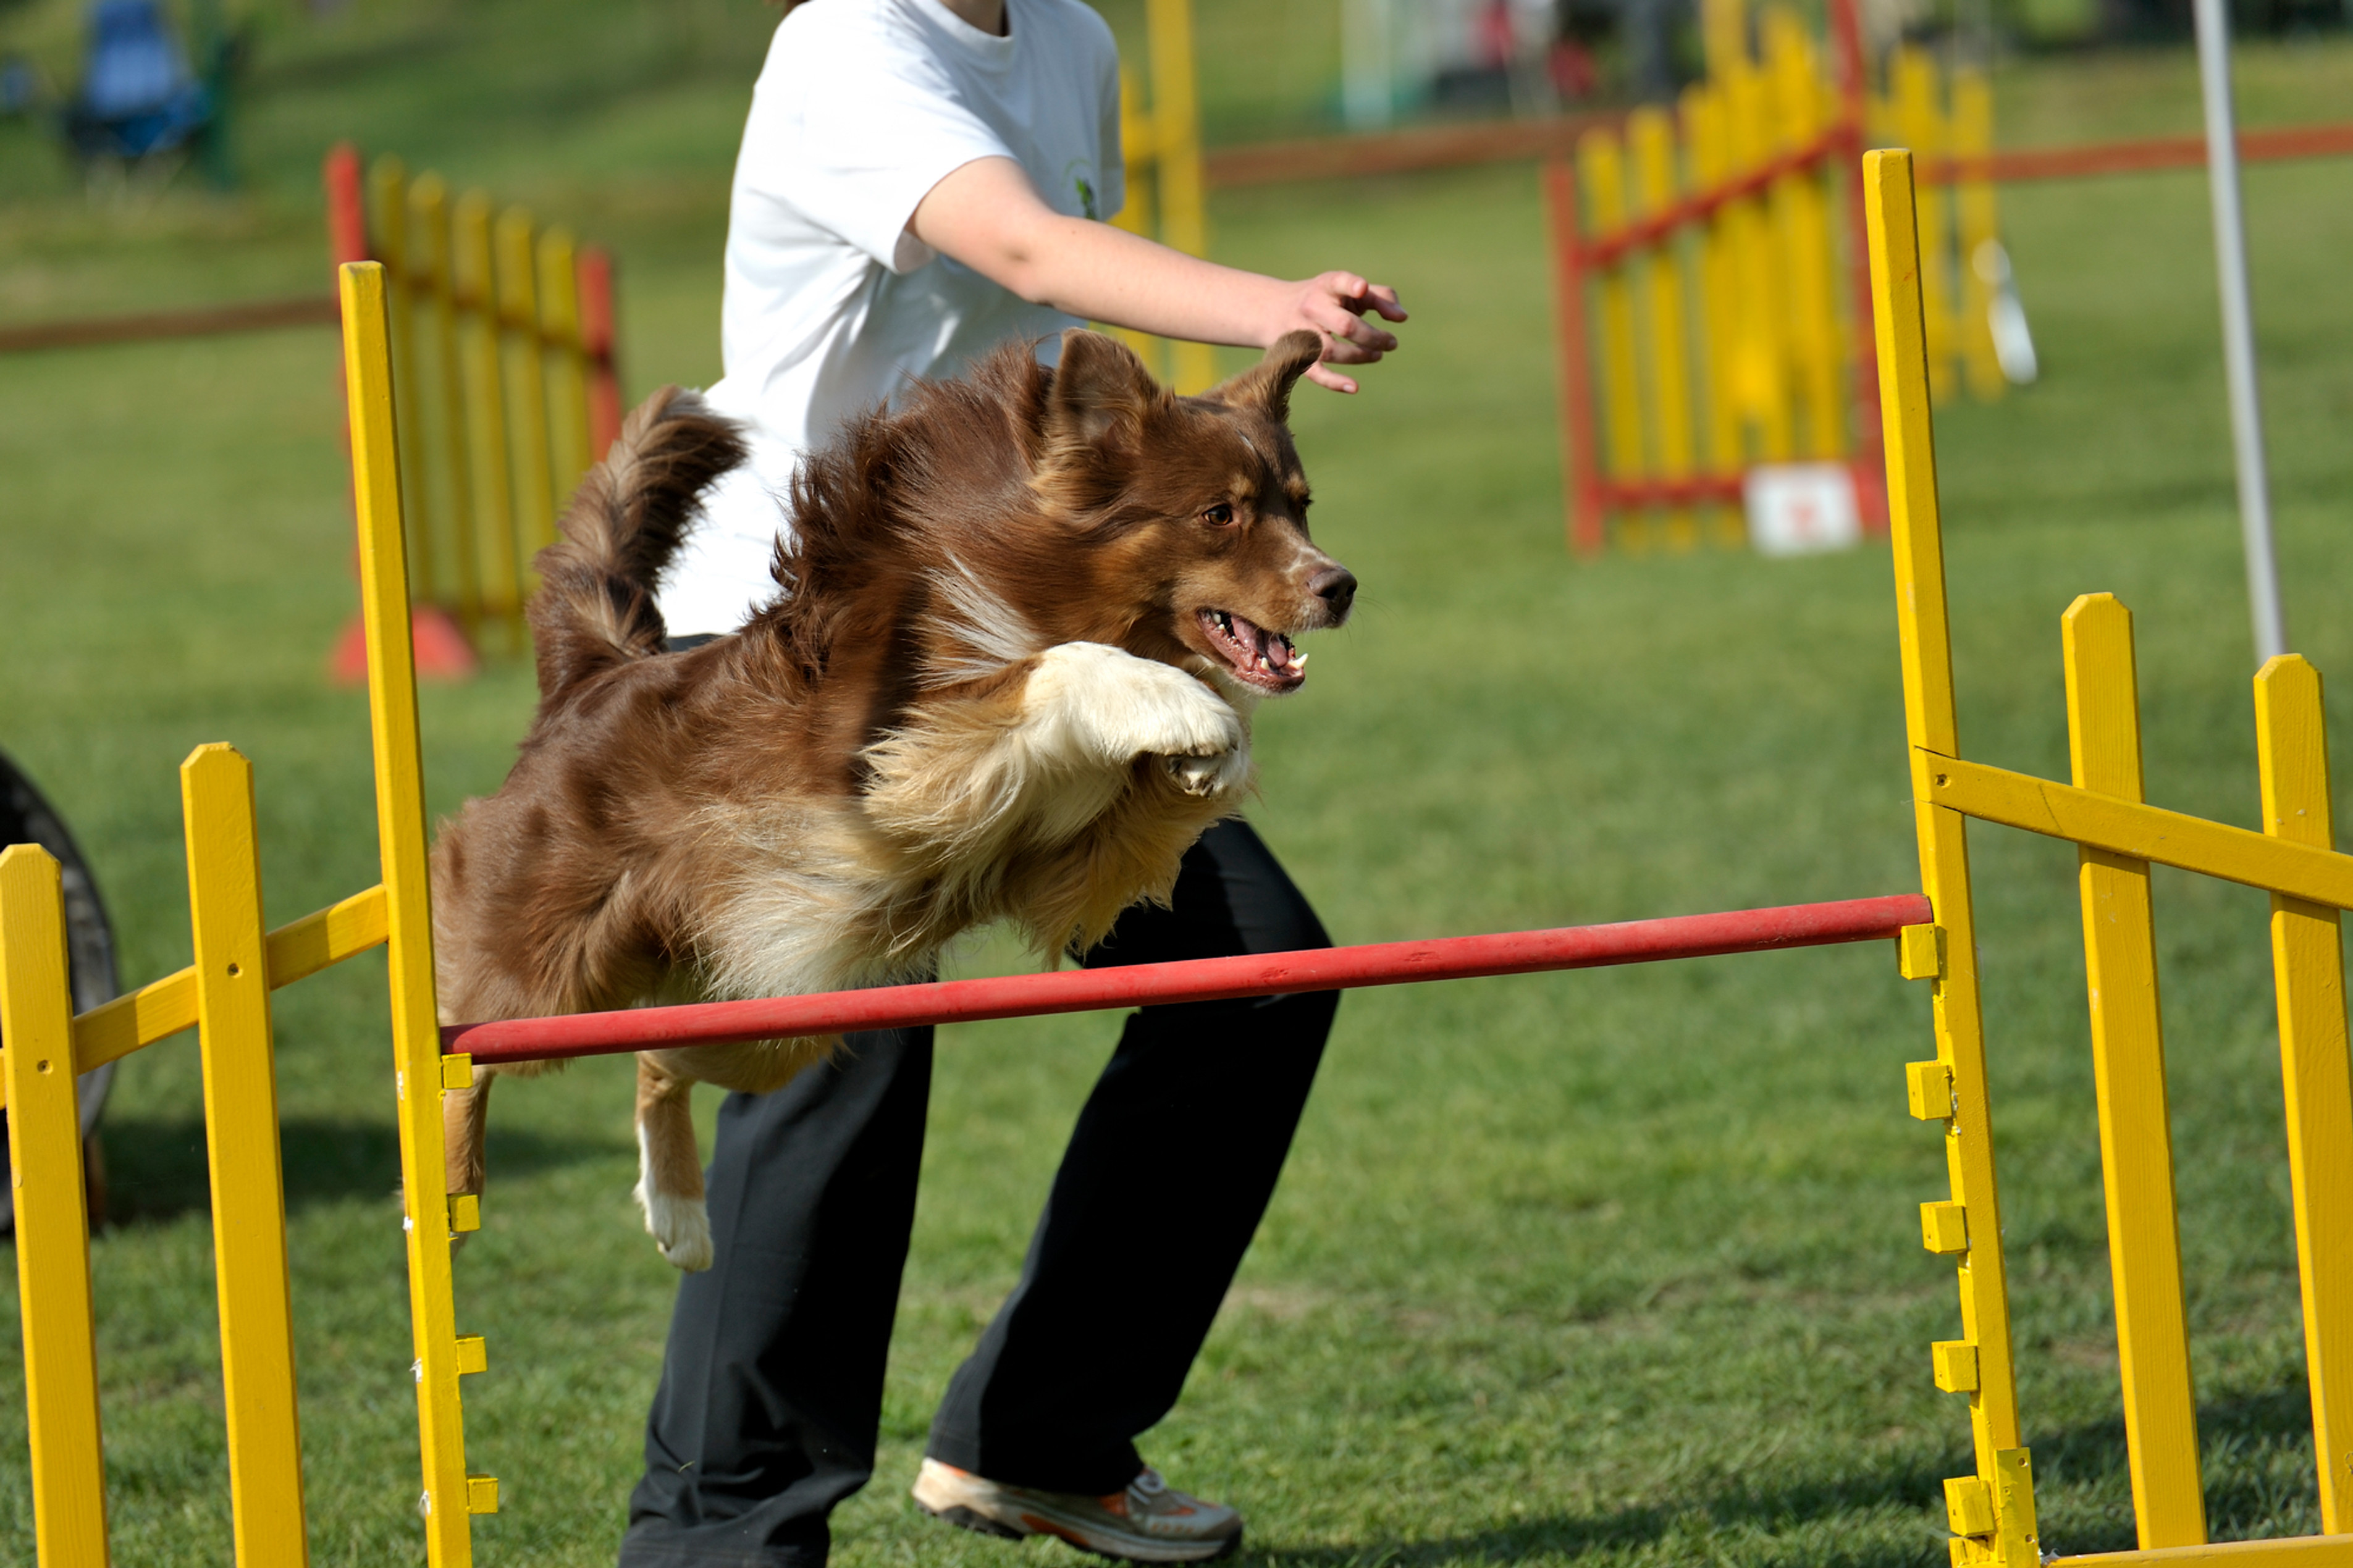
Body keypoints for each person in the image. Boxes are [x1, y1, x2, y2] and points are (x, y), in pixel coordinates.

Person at [619, 0, 1406, 1563]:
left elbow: (1049, 364)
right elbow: (1033, 254)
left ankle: (1041, 1437)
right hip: (791, 623)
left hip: (992, 634)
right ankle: (715, 1541)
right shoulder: (848, 45)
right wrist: (1278, 310)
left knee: (1252, 974)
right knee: (836, 1048)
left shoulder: (1073, 43)